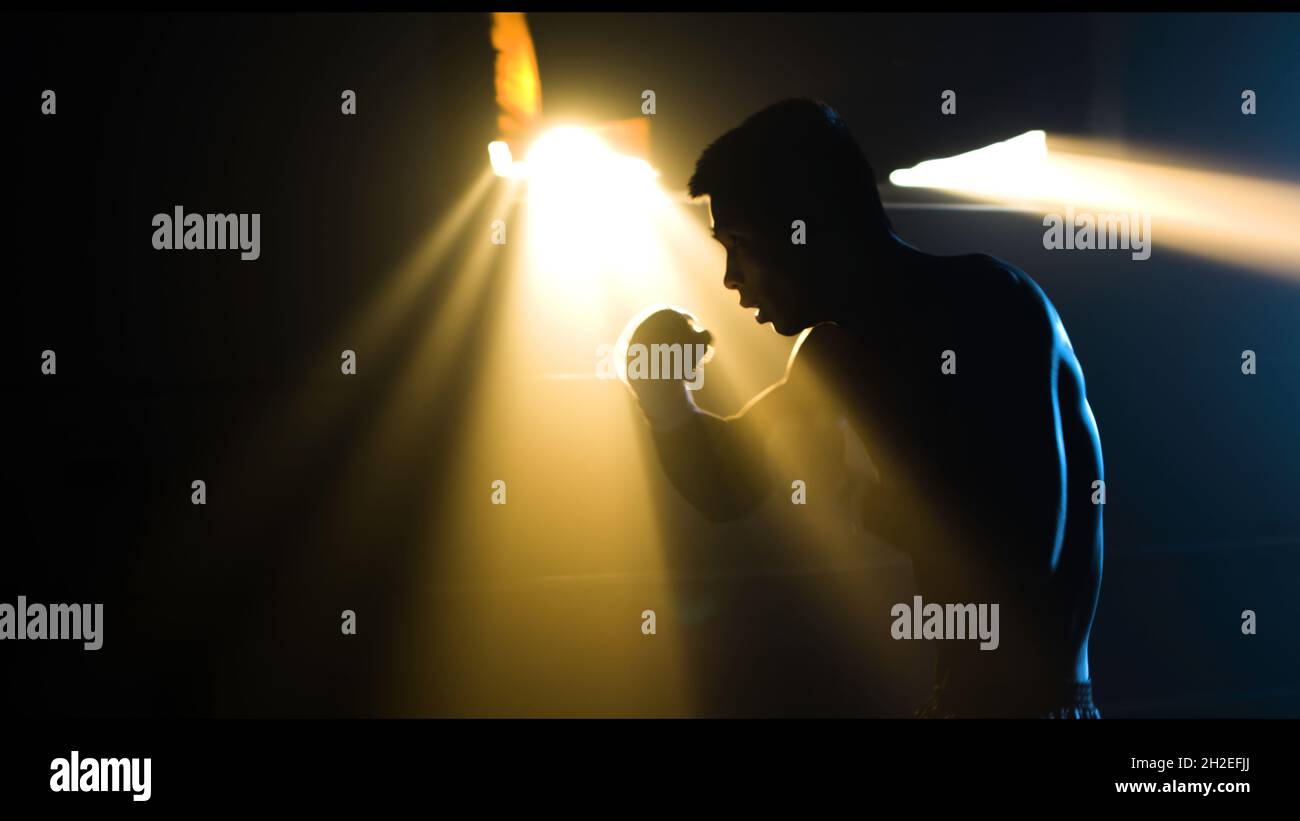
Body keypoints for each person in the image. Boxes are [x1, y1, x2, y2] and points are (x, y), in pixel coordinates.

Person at [623, 98, 1103, 718]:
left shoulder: (991, 308)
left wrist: (856, 498)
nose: (730, 278)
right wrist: (663, 396)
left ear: (809, 225)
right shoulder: (834, 350)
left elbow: (1023, 556)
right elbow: (727, 486)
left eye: (739, 244)